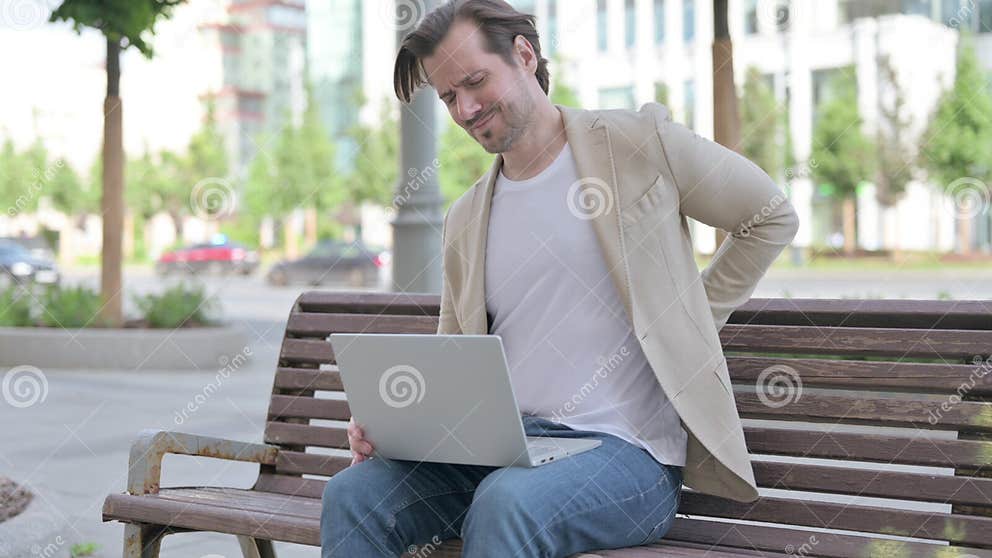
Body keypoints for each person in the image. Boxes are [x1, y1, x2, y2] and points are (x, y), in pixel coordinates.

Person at [321, 1, 799, 556]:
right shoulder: (467, 216)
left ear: (524, 56)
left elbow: (769, 216)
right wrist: (397, 427)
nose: (466, 109)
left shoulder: (637, 143)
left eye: (475, 82)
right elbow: (455, 359)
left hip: (629, 457)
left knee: (508, 500)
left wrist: (688, 316)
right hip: (508, 454)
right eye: (449, 97)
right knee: (355, 493)